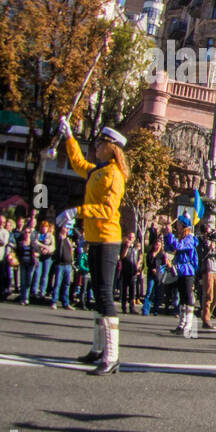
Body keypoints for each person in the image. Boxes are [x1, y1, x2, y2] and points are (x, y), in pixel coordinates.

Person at [58, 120, 129, 375]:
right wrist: (69, 138)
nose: (96, 146)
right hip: (96, 238)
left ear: (112, 148)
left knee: (105, 296)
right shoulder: (99, 172)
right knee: (98, 299)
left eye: (101, 143)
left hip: (109, 239)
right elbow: (79, 164)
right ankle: (98, 349)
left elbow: (108, 210)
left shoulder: (114, 175)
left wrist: (76, 211)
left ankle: (112, 356)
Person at [163, 214, 200, 337]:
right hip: (179, 270)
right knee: (182, 298)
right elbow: (170, 248)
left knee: (188, 298)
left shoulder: (190, 238)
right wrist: (167, 236)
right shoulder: (180, 237)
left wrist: (170, 235)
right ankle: (181, 324)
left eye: (178, 224)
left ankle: (188, 325)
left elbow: (179, 246)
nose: (176, 226)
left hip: (187, 270)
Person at [51, 215, 75, 310]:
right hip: (60, 264)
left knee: (67, 284)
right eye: (66, 227)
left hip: (68, 265)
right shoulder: (59, 238)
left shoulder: (68, 240)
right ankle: (54, 301)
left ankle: (66, 302)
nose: (67, 229)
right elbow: (58, 249)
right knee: (57, 283)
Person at [118, 231, 139, 314]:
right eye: (130, 237)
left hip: (133, 271)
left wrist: (138, 266)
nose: (131, 239)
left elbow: (138, 258)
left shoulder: (135, 248)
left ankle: (132, 307)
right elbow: (122, 257)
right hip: (126, 270)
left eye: (132, 237)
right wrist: (127, 247)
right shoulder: (124, 246)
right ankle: (124, 307)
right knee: (124, 289)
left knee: (132, 290)